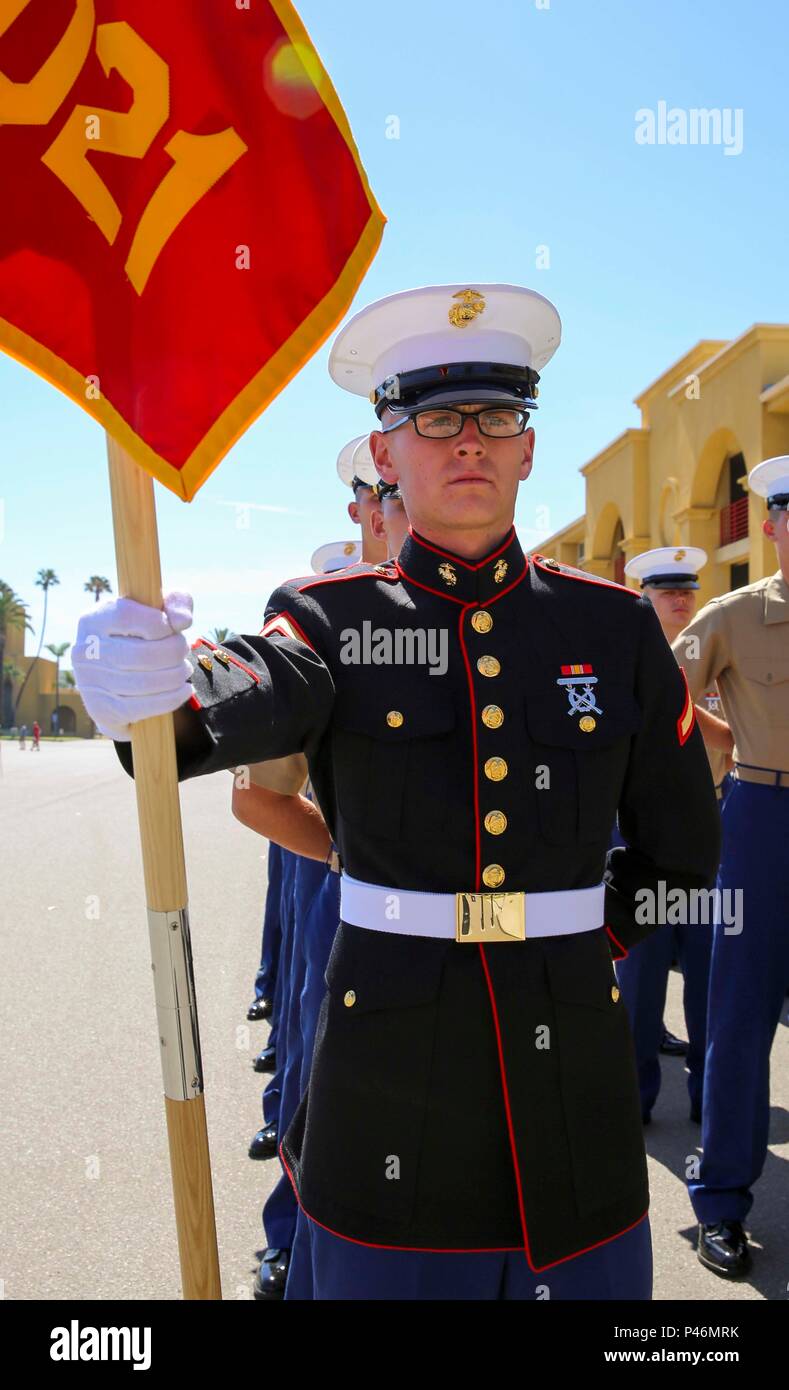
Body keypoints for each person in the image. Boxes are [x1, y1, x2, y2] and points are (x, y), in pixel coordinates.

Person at [72, 282, 720, 1301]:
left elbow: (686, 855)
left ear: (528, 448)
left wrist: (578, 940)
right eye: (432, 419)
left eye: (497, 417)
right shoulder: (329, 619)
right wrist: (147, 688)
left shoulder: (612, 629)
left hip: (575, 1109)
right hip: (388, 1101)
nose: (468, 441)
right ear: (386, 453)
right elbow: (227, 702)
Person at [672, 455, 789, 1280]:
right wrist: (733, 748)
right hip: (762, 820)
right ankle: (720, 1202)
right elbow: (664, 706)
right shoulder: (731, 617)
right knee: (738, 1016)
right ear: (772, 527)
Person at [617, 547, 721, 1126]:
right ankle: (632, 1100)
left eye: (687, 591)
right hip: (643, 835)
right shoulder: (623, 658)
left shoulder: (717, 650)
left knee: (710, 972)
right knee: (640, 971)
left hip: (709, 828)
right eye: (667, 592)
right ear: (646, 599)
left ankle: (712, 1098)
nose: (681, 600)